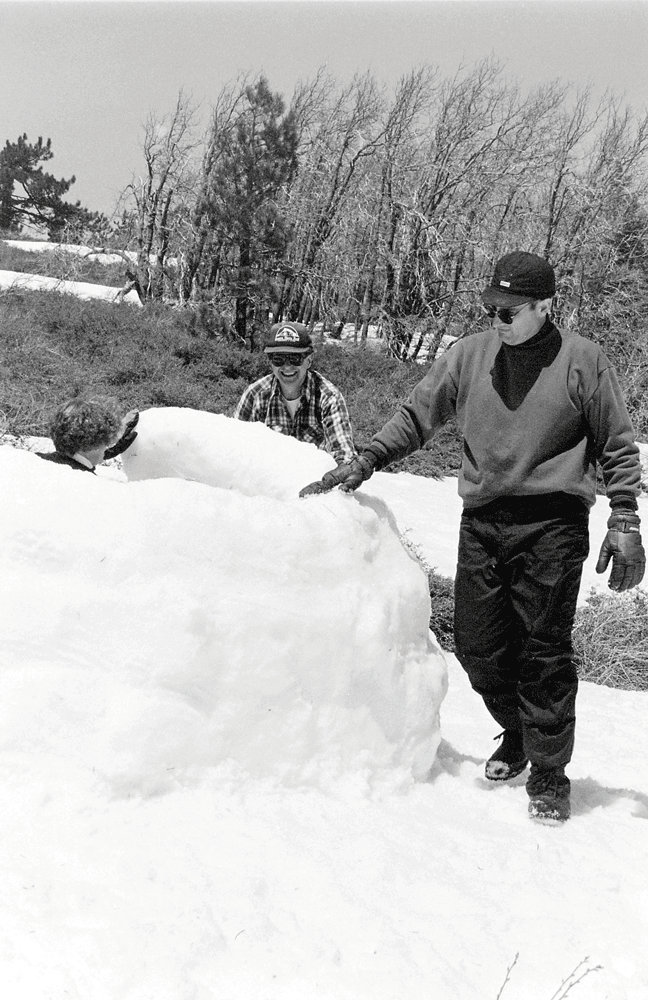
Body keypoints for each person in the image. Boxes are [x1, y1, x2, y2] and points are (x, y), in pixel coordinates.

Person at [300, 250, 646, 825]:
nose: (498, 319)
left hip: (553, 521)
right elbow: (417, 415)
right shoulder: (469, 354)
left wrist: (626, 519)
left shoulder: (582, 360)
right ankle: (518, 730)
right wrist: (364, 461)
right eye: (491, 308)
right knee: (478, 645)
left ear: (544, 306)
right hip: (483, 519)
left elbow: (616, 443)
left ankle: (550, 773)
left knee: (543, 649)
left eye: (510, 311)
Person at [234, 321, 357, 464]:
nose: (287, 366)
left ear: (309, 360)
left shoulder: (329, 398)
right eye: (278, 359)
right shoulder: (254, 394)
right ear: (270, 362)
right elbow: (234, 448)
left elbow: (344, 456)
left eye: (295, 359)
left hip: (314, 479)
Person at [38, 397, 139, 473]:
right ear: (92, 444)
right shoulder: (86, 483)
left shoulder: (35, 462)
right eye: (105, 442)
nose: (107, 446)